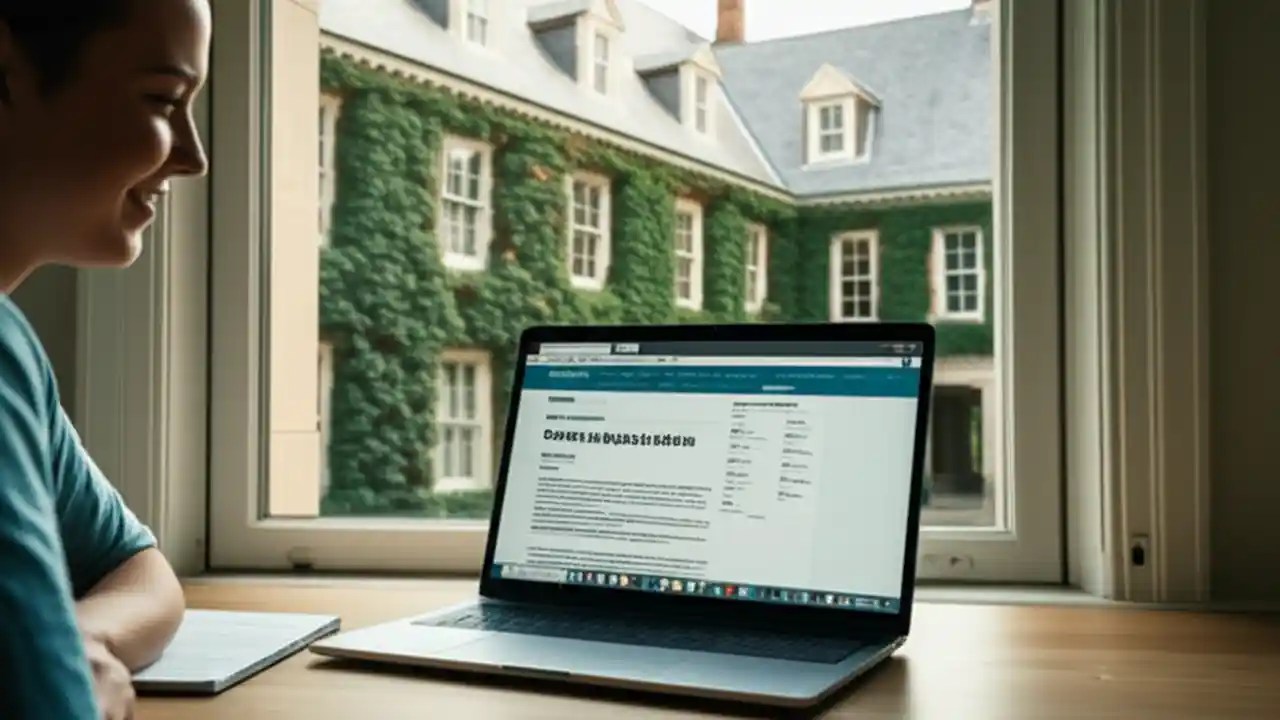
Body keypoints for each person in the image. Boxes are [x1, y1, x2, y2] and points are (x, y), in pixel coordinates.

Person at [0, 1, 210, 718]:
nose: (193, 157)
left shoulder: (17, 364)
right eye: (164, 101)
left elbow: (138, 571)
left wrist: (72, 644)